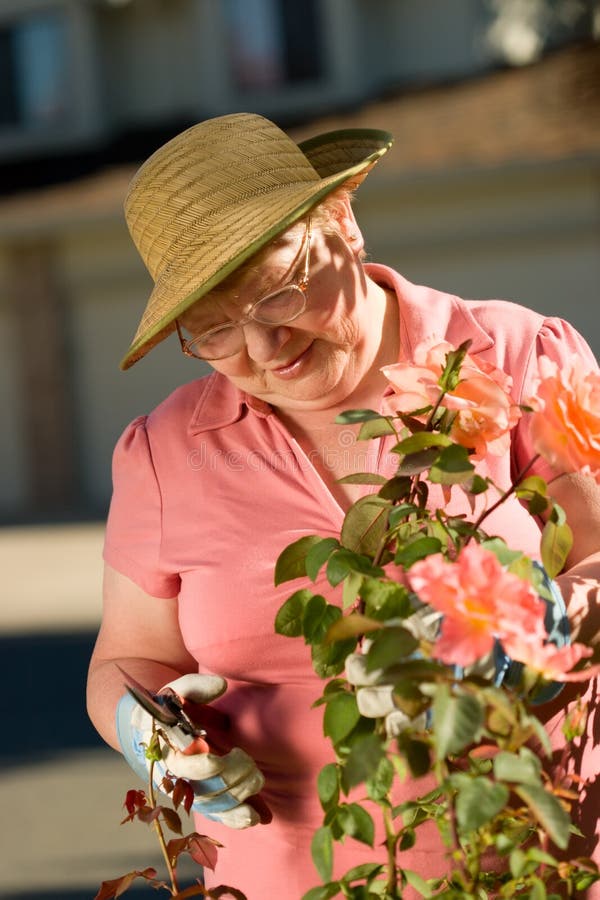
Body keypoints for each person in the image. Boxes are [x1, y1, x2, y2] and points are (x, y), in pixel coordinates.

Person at [87, 112, 600, 898]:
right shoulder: (164, 452)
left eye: (275, 292)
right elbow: (127, 659)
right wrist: (151, 736)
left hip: (532, 864)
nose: (261, 348)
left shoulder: (517, 356)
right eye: (213, 328)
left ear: (342, 220)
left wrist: (537, 632)